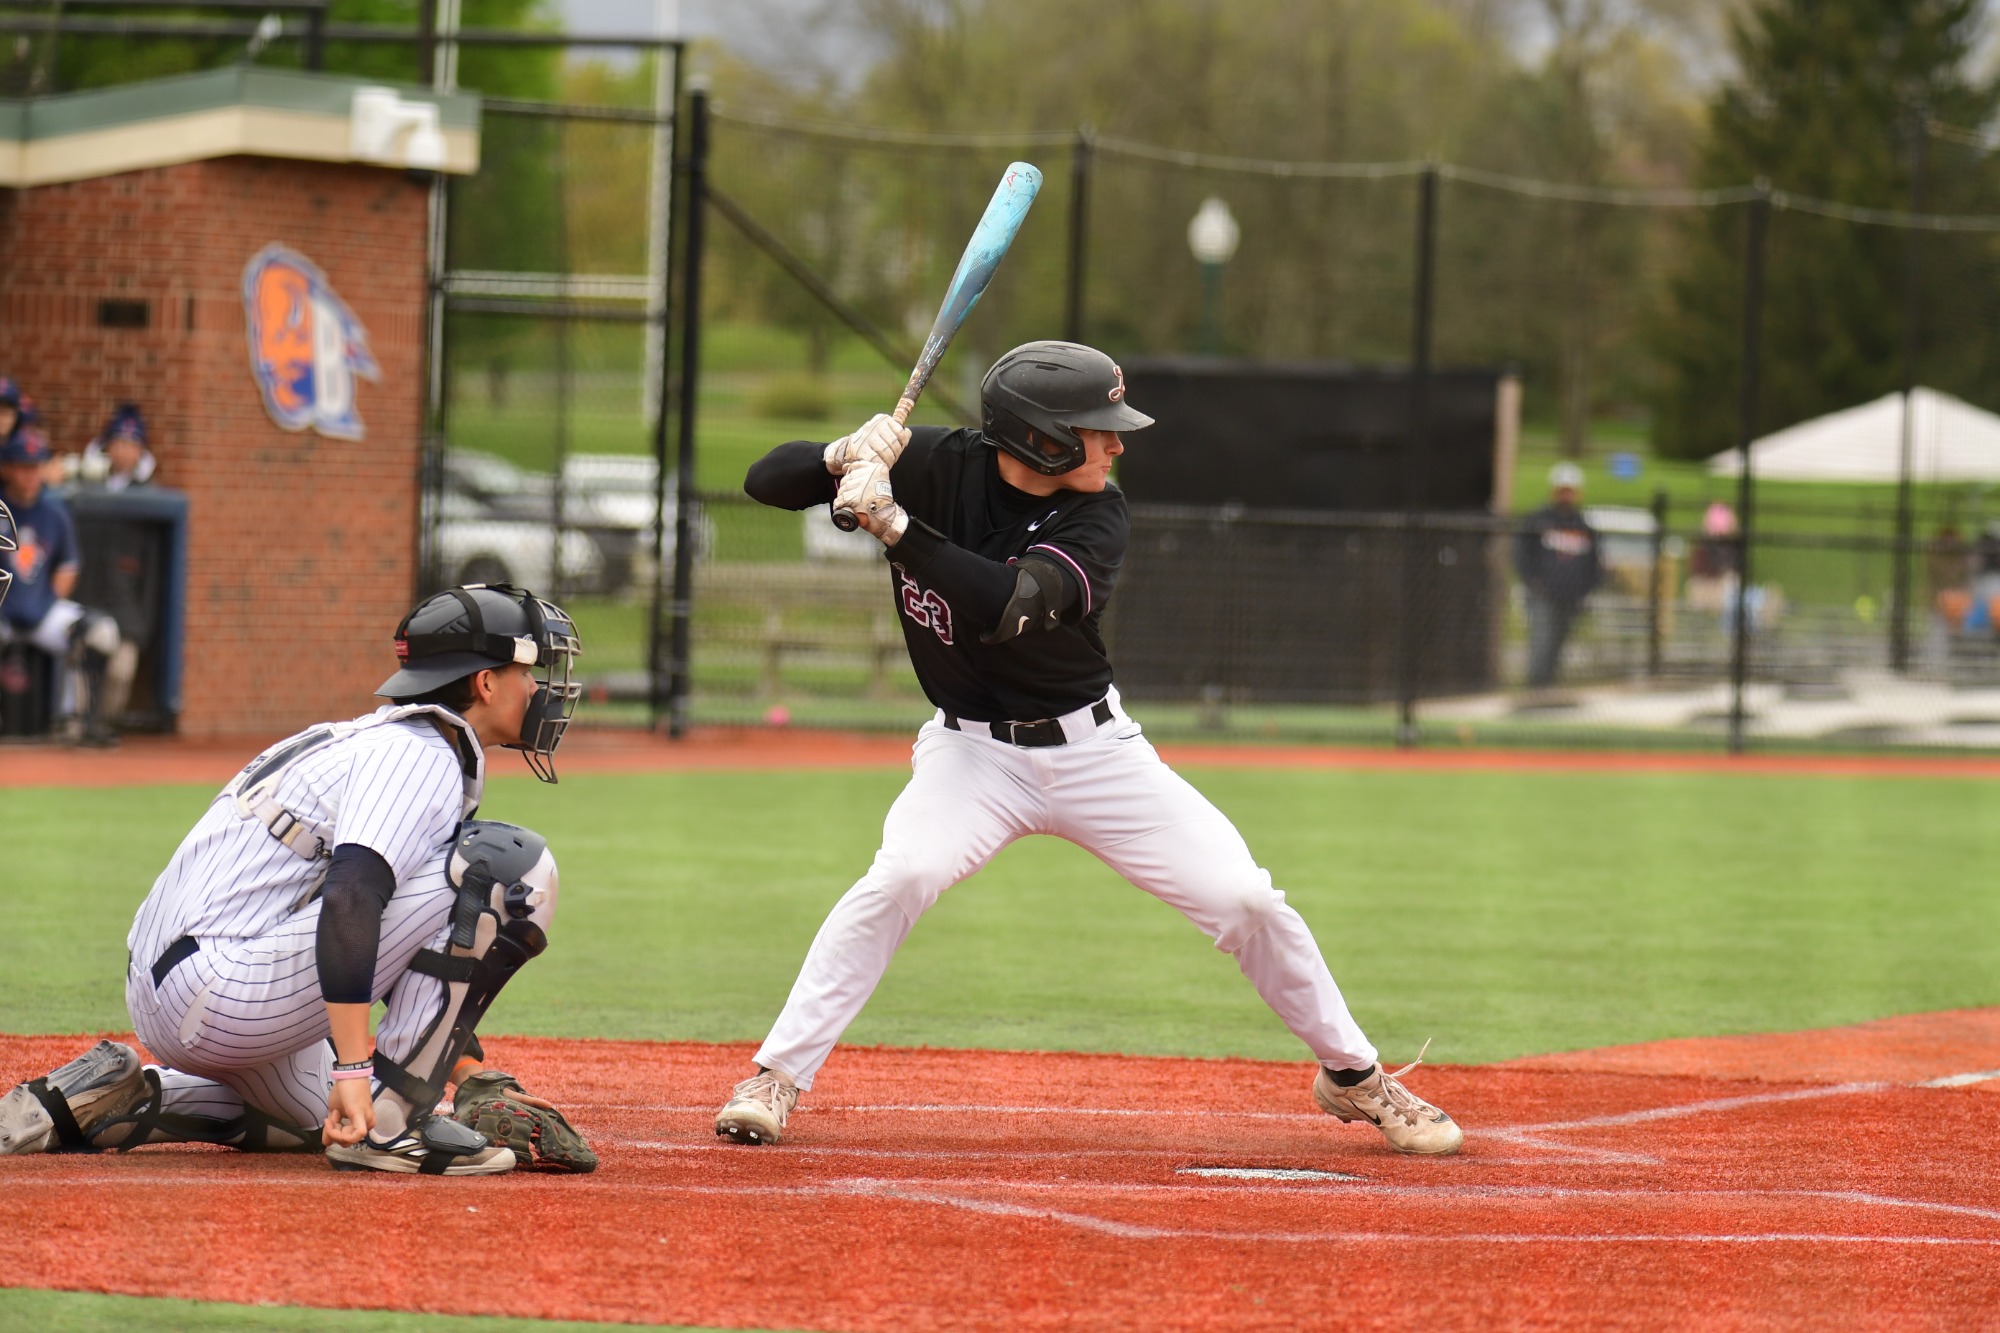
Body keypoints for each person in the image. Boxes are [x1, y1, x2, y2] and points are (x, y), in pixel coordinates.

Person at [715, 340, 1462, 1157]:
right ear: (1041, 439)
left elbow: (1012, 603)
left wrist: (894, 527)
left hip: (1096, 754)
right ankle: (775, 1075)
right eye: (1098, 430)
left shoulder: (1099, 514)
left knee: (1246, 899)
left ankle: (1354, 1076)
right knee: (901, 875)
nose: (1116, 445)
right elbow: (764, 480)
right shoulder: (935, 462)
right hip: (971, 757)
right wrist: (841, 454)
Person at [0, 583, 591, 1176]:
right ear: (484, 683)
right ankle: (393, 1127)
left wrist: (466, 1072)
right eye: (527, 671)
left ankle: (120, 1098)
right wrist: (356, 1070)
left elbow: (399, 928)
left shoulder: (376, 740)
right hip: (223, 988)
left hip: (182, 985)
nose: (537, 688)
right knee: (507, 868)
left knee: (317, 1119)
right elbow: (353, 899)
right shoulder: (421, 756)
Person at [0, 427, 121, 744]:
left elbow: (68, 568)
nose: (30, 475)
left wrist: (45, 602)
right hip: (2, 611)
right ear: (7, 468)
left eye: (35, 466)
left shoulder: (54, 513)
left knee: (100, 632)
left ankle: (78, 721)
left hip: (41, 611)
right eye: (23, 467)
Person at [1512, 461, 1603, 689]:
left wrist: (1587, 588)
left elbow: (1596, 562)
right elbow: (1522, 554)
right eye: (1562, 490)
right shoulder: (1538, 519)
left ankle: (1550, 685)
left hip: (1571, 595)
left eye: (1570, 490)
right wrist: (1533, 581)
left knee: (1560, 639)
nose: (1566, 495)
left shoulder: (1583, 525)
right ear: (1554, 490)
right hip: (1542, 593)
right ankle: (1536, 685)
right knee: (1542, 637)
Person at [78, 403, 157, 491]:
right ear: (108, 447)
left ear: (140, 451)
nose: (123, 452)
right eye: (118, 445)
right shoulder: (88, 484)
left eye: (130, 446)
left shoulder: (147, 490)